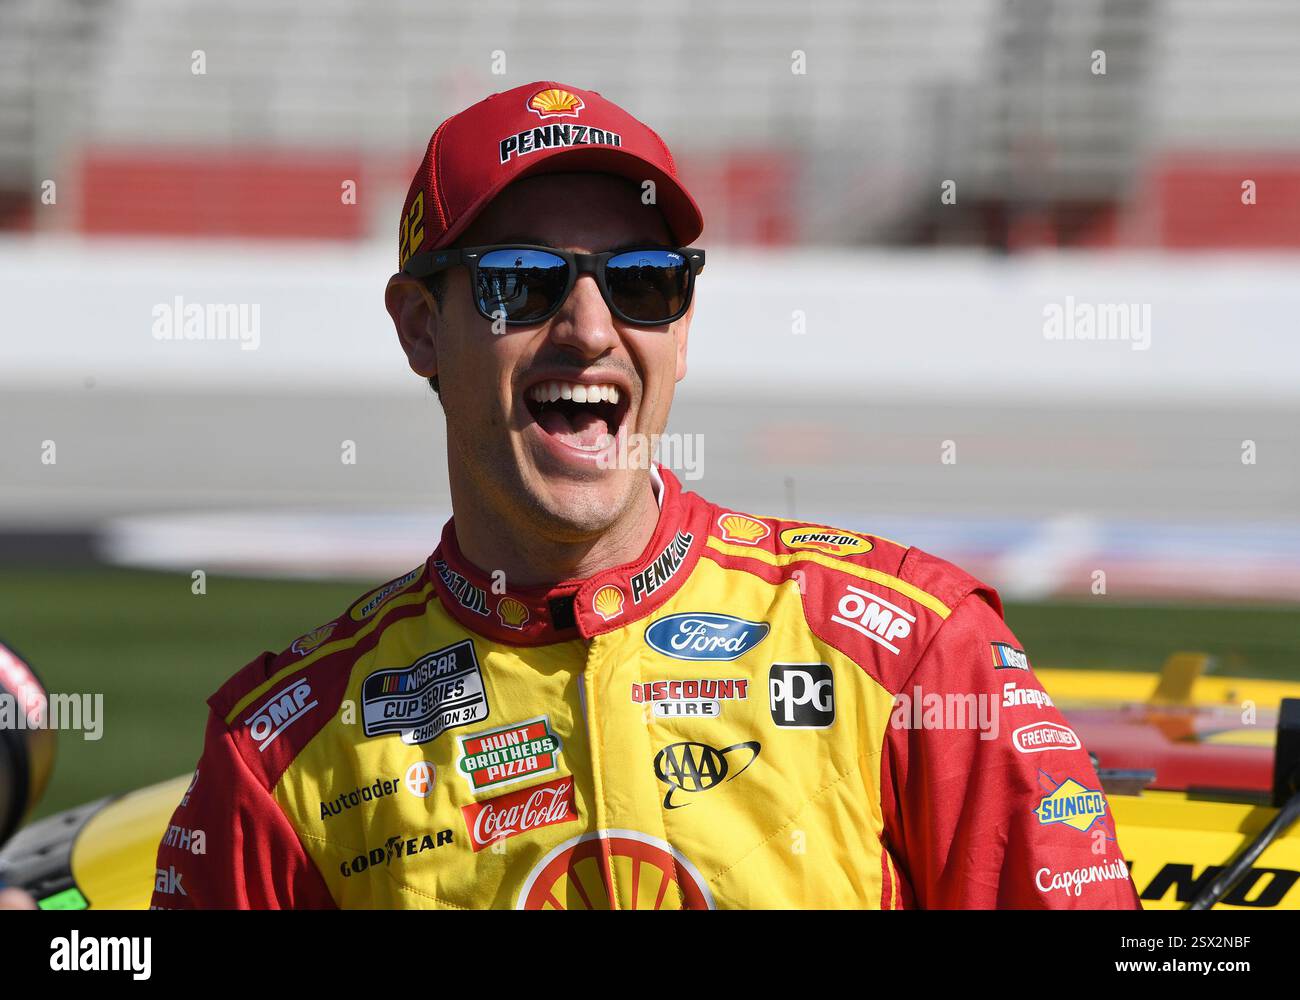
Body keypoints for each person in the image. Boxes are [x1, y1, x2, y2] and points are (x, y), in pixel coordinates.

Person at [150, 81, 1140, 909]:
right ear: (418, 329)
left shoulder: (913, 647)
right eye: (522, 281)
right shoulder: (284, 753)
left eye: (643, 281)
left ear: (682, 324)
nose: (589, 328)